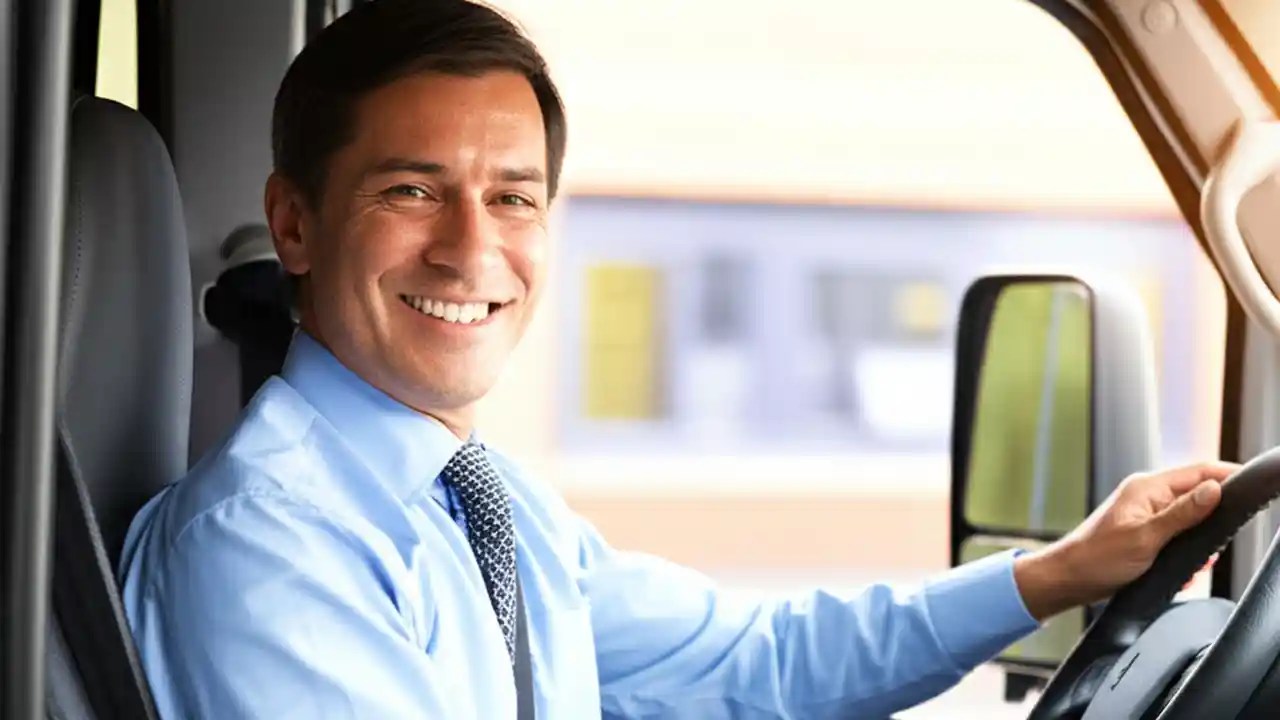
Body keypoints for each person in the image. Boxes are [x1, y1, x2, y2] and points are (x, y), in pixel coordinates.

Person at [116, 1, 1237, 718]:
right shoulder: (266, 544)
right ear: (297, 224)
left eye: (513, 198)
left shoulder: (486, 506)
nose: (471, 250)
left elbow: (758, 661)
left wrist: (1055, 574)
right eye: (412, 191)